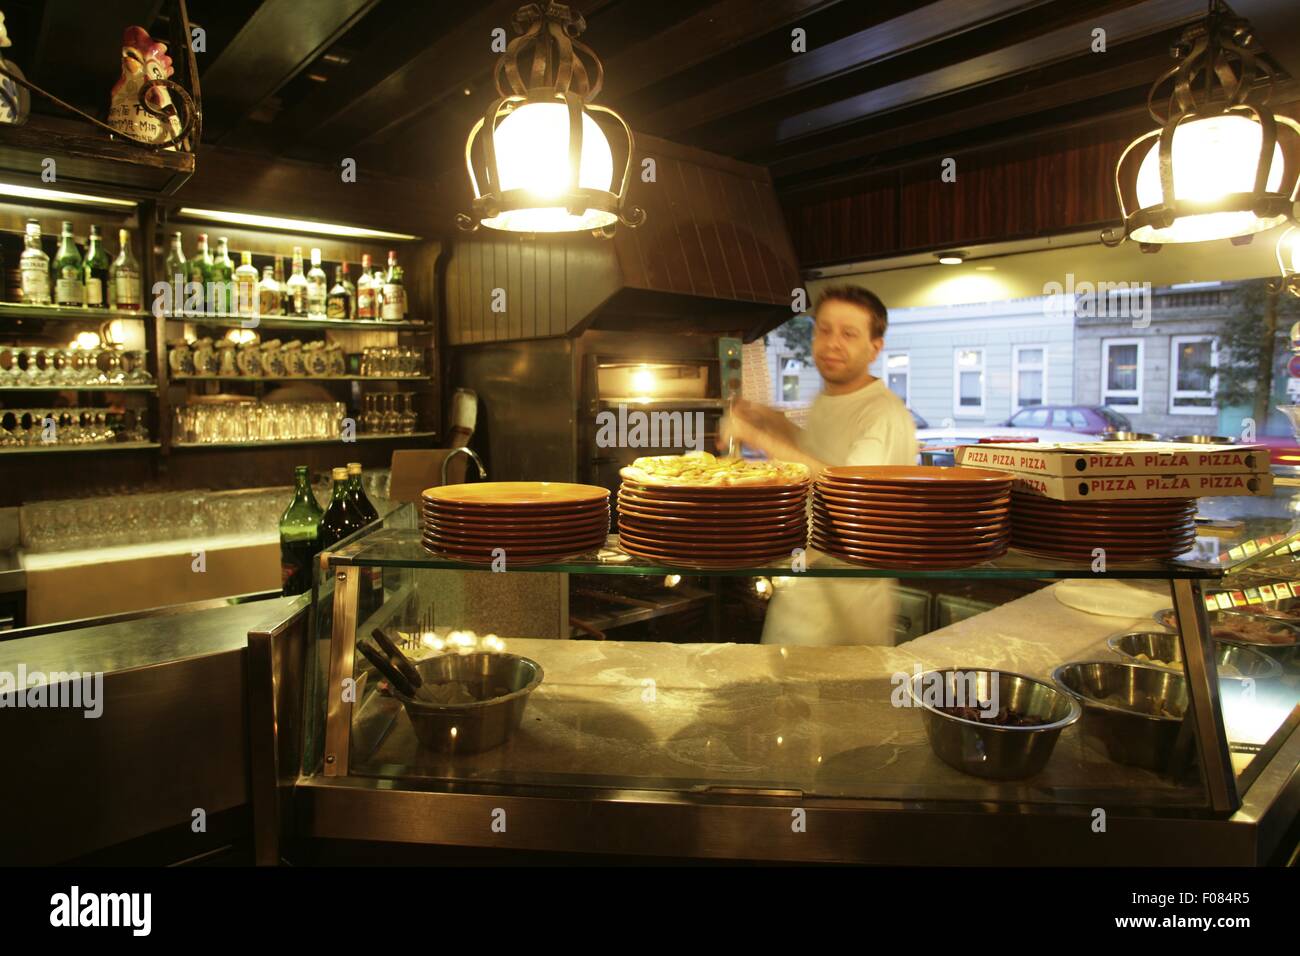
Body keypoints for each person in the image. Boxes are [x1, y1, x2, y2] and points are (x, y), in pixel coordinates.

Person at [721, 285, 916, 645]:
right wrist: (770, 419)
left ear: (875, 348)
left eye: (849, 333)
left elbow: (843, 486)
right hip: (804, 588)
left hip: (846, 609)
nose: (832, 343)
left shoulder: (884, 414)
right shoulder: (830, 396)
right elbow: (817, 455)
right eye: (824, 329)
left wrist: (758, 437)